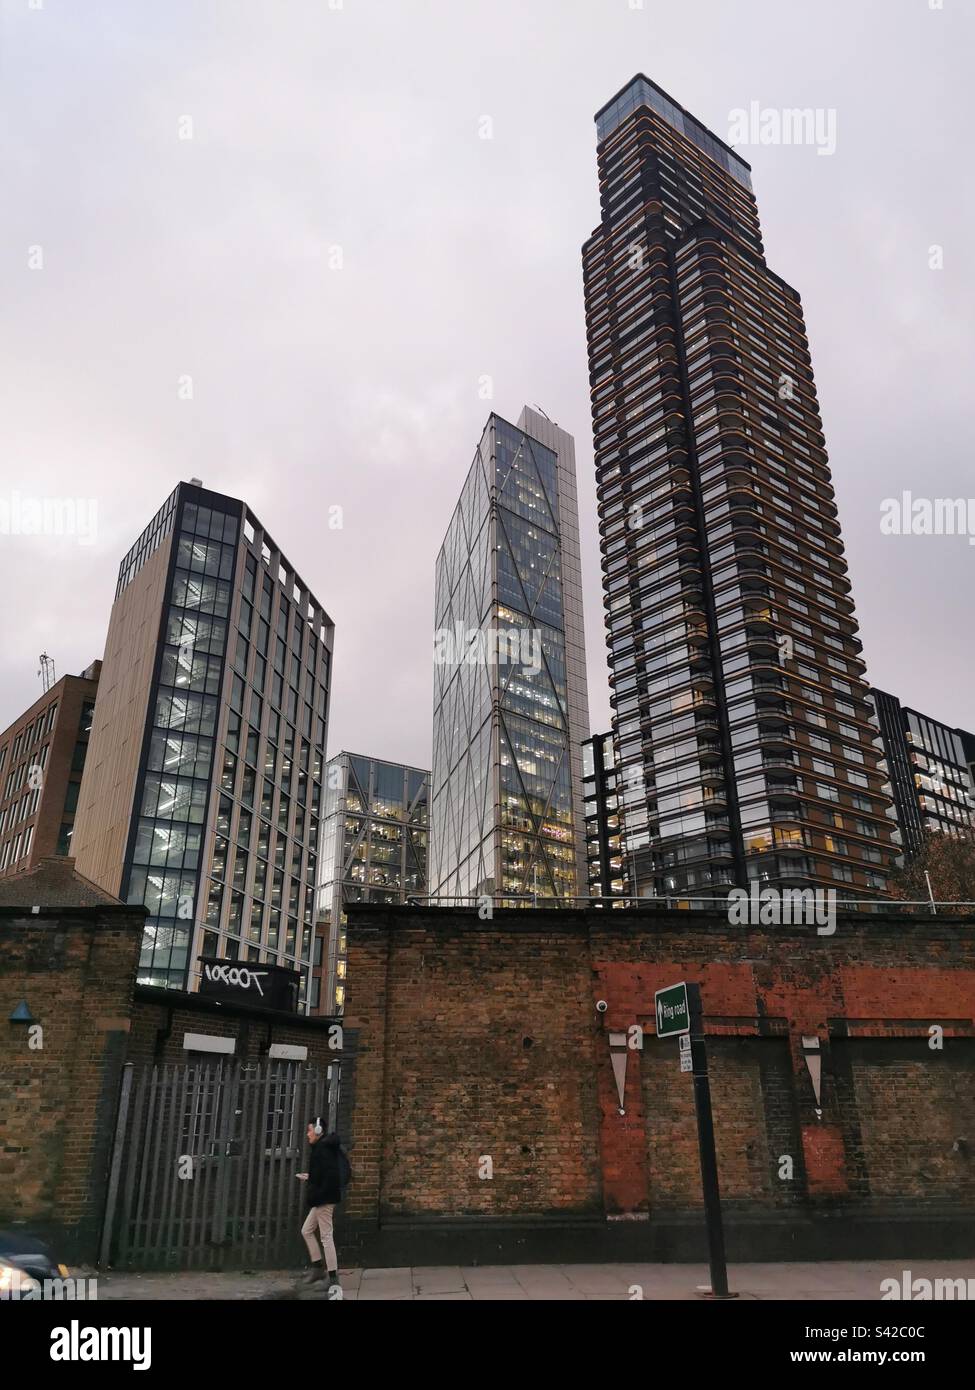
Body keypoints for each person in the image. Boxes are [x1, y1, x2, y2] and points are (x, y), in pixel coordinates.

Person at [296, 1119, 352, 1290]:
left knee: (326, 1236)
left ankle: (333, 1278)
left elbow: (331, 1177)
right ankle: (317, 1268)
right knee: (306, 1230)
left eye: (310, 1130)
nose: (307, 1134)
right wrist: (311, 1177)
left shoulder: (323, 1150)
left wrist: (317, 1194)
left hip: (324, 1199)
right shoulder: (322, 1148)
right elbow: (324, 1174)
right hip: (322, 1198)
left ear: (318, 1130)